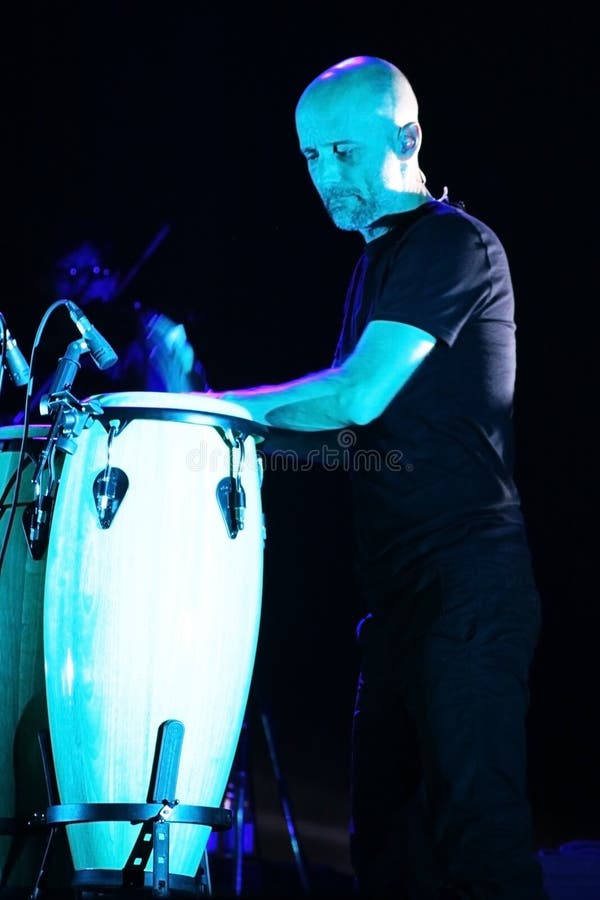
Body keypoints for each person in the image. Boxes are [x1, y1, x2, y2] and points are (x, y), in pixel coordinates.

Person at [206, 56, 548, 898]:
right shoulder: (374, 266)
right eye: (311, 158)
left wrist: (223, 409)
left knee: (480, 835)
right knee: (385, 850)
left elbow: (354, 393)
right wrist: (214, 431)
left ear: (407, 137)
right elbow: (350, 437)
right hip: (398, 603)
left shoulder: (453, 243)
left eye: (343, 154)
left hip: (468, 584)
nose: (325, 177)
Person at [6, 234, 208, 425]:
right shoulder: (33, 337)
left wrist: (178, 375)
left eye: (95, 272)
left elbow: (176, 402)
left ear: (114, 278)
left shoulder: (140, 332)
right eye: (71, 273)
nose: (84, 284)